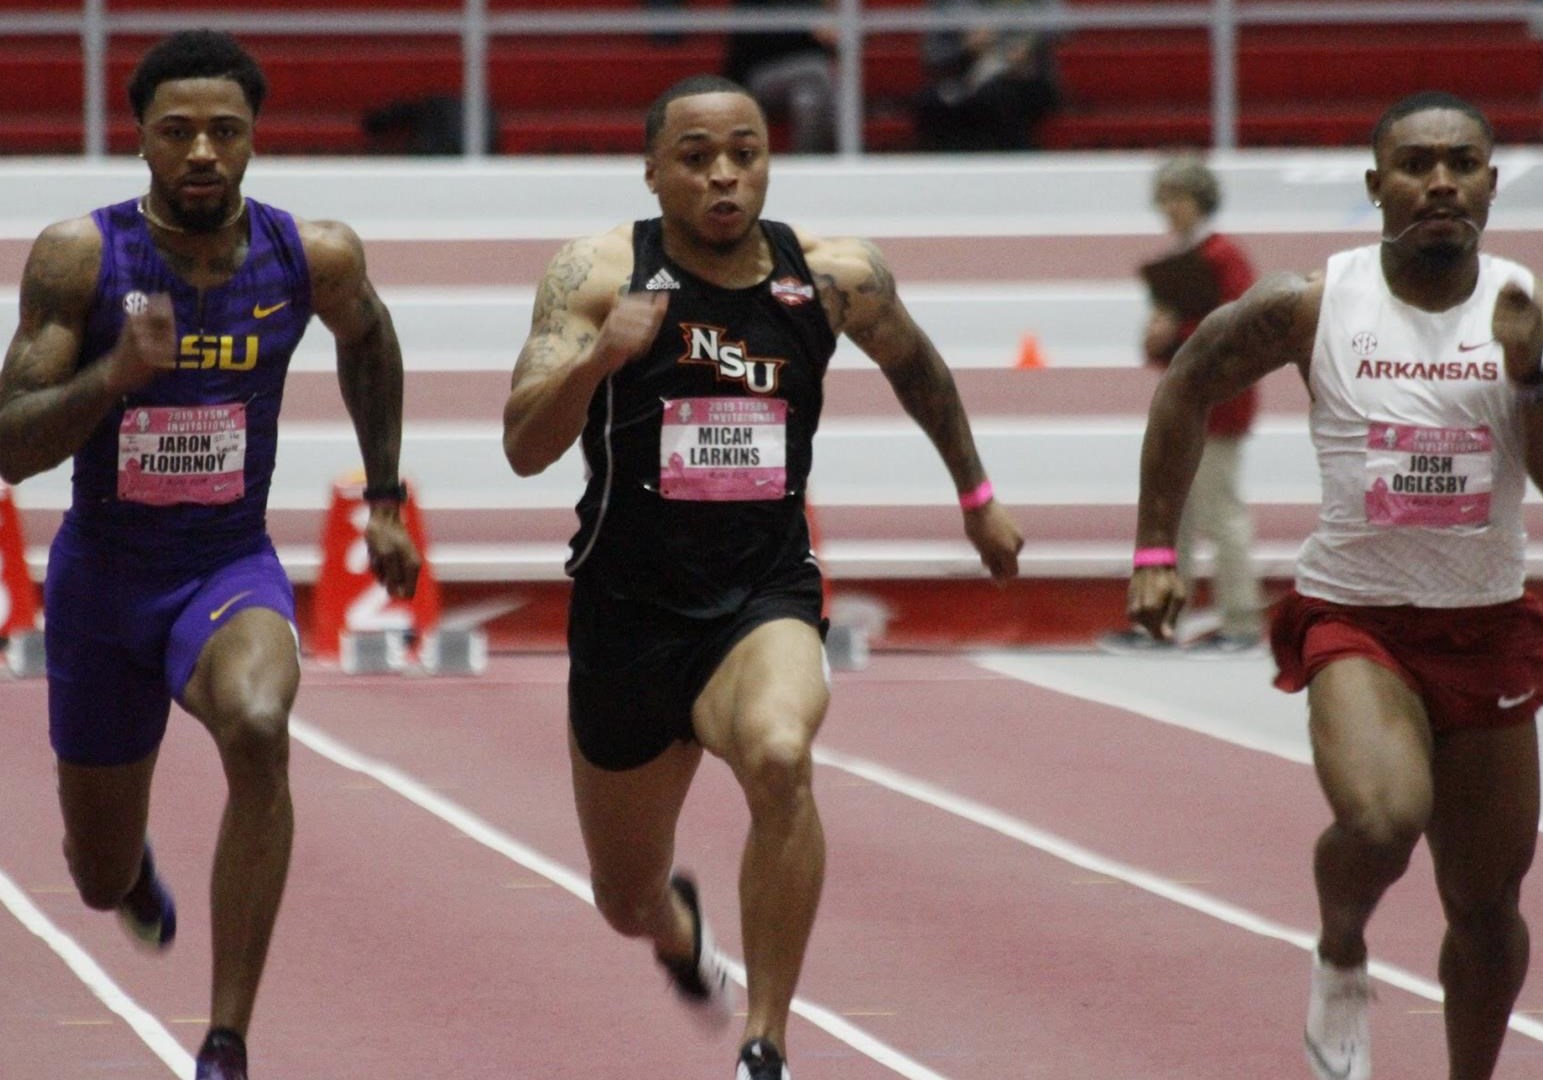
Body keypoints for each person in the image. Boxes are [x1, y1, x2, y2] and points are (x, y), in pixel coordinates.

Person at [503, 74, 1024, 1080]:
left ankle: (765, 1040)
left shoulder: (832, 276)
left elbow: (919, 367)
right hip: (626, 613)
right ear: (653, 170)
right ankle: (677, 930)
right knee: (625, 898)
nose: (725, 175)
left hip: (762, 594)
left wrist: (977, 495)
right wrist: (598, 362)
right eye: (697, 158)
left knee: (781, 755)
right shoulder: (595, 274)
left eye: (744, 152)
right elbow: (524, 445)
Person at [1124, 91, 1543, 1080]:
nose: (1440, 183)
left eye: (1463, 163)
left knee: (1486, 908)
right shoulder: (1313, 302)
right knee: (1383, 820)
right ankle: (1343, 945)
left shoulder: (1539, 311)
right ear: (1376, 183)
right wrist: (1155, 555)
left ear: (1490, 184)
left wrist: (1529, 379)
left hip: (1486, 626)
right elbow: (1186, 382)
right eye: (1417, 163)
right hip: (1358, 619)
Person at [0, 30, 420, 1080]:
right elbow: (9, 448)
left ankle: (226, 1037)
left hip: (227, 565)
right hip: (103, 582)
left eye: (225, 132)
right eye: (177, 131)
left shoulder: (308, 254)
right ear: (139, 138)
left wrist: (385, 499)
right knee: (92, 876)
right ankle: (126, 872)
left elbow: (369, 339)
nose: (202, 153)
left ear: (253, 140)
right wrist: (111, 380)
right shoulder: (79, 258)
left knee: (262, 727)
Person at [1099, 156, 1263, 655]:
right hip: (1190, 403)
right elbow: (1179, 341)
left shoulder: (1222, 256)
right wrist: (1158, 340)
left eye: (1178, 198)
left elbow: (1238, 328)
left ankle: (1241, 622)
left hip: (1220, 402)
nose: (1168, 209)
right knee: (1181, 517)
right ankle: (1167, 618)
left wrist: (1177, 333)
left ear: (1199, 200)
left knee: (1220, 513)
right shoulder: (1186, 258)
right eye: (1164, 199)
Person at [912, 0, 1057, 152]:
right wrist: (967, 47)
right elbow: (934, 55)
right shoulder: (948, 5)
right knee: (931, 101)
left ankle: (1012, 160)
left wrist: (1026, 50)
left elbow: (1060, 26)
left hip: (1020, 79)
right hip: (963, 77)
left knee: (995, 97)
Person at [723, 0, 838, 154]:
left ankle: (804, 160)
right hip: (760, 77)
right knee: (818, 69)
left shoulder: (812, 5)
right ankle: (847, 146)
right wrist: (809, 29)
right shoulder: (753, 5)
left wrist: (830, 38)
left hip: (807, 80)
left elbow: (830, 44)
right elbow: (754, 43)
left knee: (806, 100)